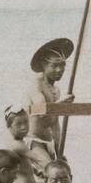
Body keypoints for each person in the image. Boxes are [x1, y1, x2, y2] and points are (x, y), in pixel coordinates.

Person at [26, 37, 75, 171]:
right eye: (54, 66)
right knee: (52, 171)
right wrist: (61, 104)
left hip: (49, 143)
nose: (59, 70)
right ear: (43, 65)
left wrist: (59, 151)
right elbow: (41, 111)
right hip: (33, 142)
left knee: (62, 168)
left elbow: (54, 124)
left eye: (62, 65)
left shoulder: (56, 90)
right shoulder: (36, 84)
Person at [1, 105, 36, 183]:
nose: (24, 127)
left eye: (26, 122)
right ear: (9, 127)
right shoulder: (16, 145)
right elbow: (38, 158)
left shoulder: (20, 142)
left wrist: (37, 171)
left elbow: (24, 166)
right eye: (18, 124)